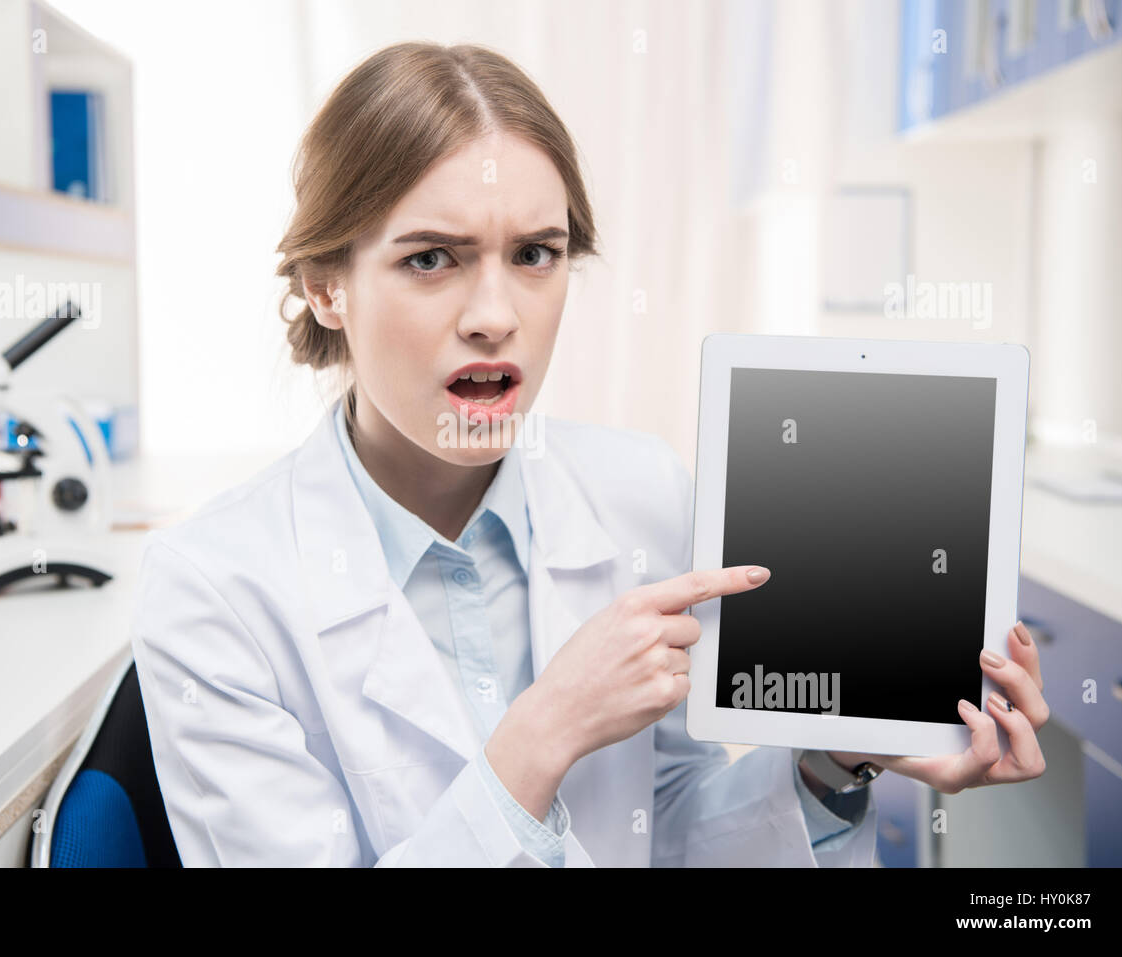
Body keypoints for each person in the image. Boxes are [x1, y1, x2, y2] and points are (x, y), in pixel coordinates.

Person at [130, 41, 1048, 867]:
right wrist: (543, 733)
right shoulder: (212, 587)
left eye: (535, 252)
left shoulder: (639, 491)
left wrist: (835, 760)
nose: (496, 315)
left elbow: (671, 824)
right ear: (326, 287)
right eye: (430, 259)